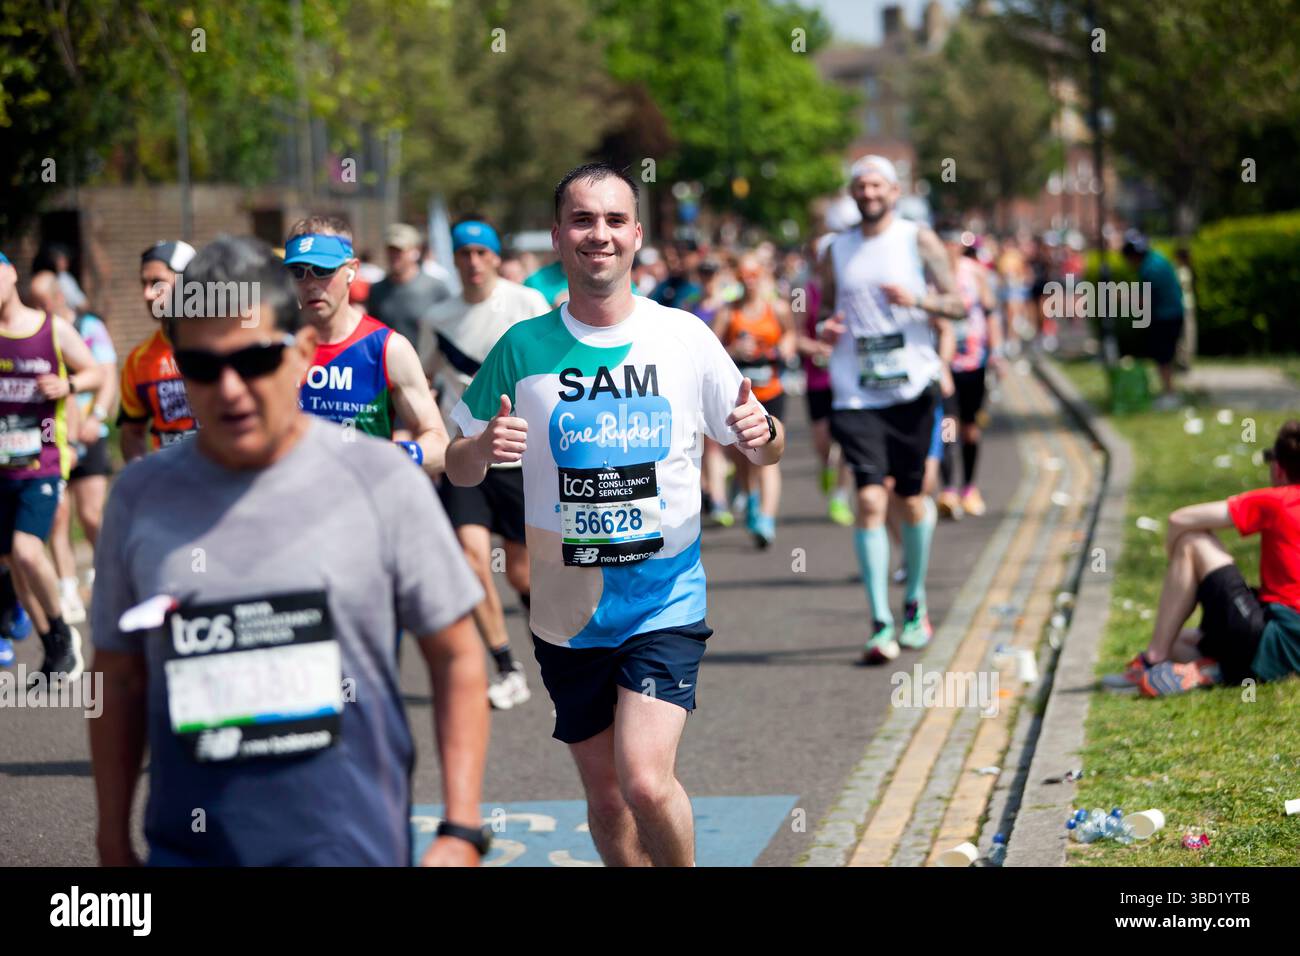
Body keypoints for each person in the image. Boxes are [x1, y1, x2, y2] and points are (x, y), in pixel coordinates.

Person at [87, 236, 490, 866]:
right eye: (201, 367)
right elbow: (116, 675)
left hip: (348, 846)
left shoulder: (380, 480)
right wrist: (111, 838)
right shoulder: (140, 496)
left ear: (301, 353)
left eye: (253, 360)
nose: (230, 390)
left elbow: (458, 656)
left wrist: (462, 829)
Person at [444, 163, 784, 866]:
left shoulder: (684, 336)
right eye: (581, 220)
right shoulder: (521, 348)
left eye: (611, 220)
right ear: (559, 236)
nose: (597, 234)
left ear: (634, 234)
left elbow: (765, 441)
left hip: (663, 599)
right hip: (566, 613)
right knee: (605, 801)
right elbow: (456, 463)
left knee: (646, 783)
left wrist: (764, 434)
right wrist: (479, 446)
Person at [817, 155, 964, 664]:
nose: (869, 192)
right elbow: (823, 311)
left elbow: (960, 306)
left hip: (911, 389)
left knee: (913, 500)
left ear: (894, 191)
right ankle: (880, 621)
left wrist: (917, 299)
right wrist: (826, 329)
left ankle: (914, 602)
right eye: (860, 185)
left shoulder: (916, 239)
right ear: (852, 193)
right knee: (871, 501)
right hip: (856, 393)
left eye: (877, 184)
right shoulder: (836, 248)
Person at [419, 218, 549, 710]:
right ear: (453, 260)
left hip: (521, 457)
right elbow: (424, 380)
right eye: (463, 253)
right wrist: (431, 438)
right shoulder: (439, 317)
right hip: (468, 455)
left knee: (520, 573)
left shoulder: (526, 304)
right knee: (472, 557)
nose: (472, 262)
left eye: (481, 252)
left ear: (495, 256)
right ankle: (505, 665)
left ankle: (553, 649)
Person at [1107, 422, 1300, 697]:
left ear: (1279, 468)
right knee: (1178, 636)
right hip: (1288, 651)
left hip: (1272, 635)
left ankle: (1152, 660)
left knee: (1191, 542)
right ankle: (1215, 669)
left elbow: (1179, 519)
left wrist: (1180, 570)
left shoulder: (1280, 500)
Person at [0, 250, 105, 682]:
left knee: (28, 549)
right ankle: (51, 640)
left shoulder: (51, 328)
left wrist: (69, 385)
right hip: (2, 467)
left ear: (9, 274)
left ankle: (62, 629)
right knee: (12, 558)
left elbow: (96, 372)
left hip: (43, 461)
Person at [283, 216, 449, 472]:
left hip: (361, 504)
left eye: (323, 269)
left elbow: (438, 444)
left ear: (352, 270)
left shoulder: (388, 348)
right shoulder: (274, 345)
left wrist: (397, 454)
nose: (311, 283)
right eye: (298, 272)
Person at [28, 271, 118, 624]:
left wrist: (96, 416)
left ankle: (108, 572)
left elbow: (106, 374)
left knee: (91, 514)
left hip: (88, 432)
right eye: (32, 302)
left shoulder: (88, 326)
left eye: (42, 301)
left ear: (58, 297)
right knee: (59, 515)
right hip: (53, 434)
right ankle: (67, 587)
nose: (36, 308)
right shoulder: (34, 333)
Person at [712, 253, 796, 547]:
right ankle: (751, 500)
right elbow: (713, 350)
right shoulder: (728, 312)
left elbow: (790, 336)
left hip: (771, 392)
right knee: (745, 458)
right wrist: (735, 348)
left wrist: (783, 349)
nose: (749, 281)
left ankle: (766, 519)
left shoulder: (778, 309)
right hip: (740, 397)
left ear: (762, 278)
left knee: (769, 459)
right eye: (744, 276)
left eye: (754, 275)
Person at [937, 236, 1004, 518]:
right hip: (942, 362)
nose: (950, 247)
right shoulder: (931, 272)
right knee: (946, 426)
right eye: (946, 241)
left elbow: (990, 314)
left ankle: (968, 487)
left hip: (973, 362)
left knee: (969, 428)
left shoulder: (975, 272)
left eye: (955, 241)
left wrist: (997, 352)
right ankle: (948, 490)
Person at [119, 241, 199, 461]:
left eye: (157, 283)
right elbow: (132, 433)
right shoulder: (138, 360)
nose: (147, 294)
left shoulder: (225, 343)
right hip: (170, 486)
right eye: (143, 284)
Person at [796, 236, 853, 527]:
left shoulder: (850, 290)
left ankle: (841, 496)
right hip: (817, 378)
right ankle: (825, 466)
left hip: (846, 377)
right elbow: (795, 338)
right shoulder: (806, 293)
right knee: (822, 439)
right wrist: (817, 349)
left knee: (846, 438)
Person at [1120, 230, 1185, 410]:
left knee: (1162, 357)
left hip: (1166, 316)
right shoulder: (1157, 260)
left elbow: (1144, 299)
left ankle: (1170, 394)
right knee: (1164, 356)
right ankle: (1168, 392)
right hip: (1172, 313)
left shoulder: (1149, 269)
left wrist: (1122, 298)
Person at [367, 223, 450, 348]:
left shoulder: (436, 288)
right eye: (391, 250)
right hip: (386, 365)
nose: (394, 256)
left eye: (399, 251)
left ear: (416, 251)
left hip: (424, 365)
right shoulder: (377, 290)